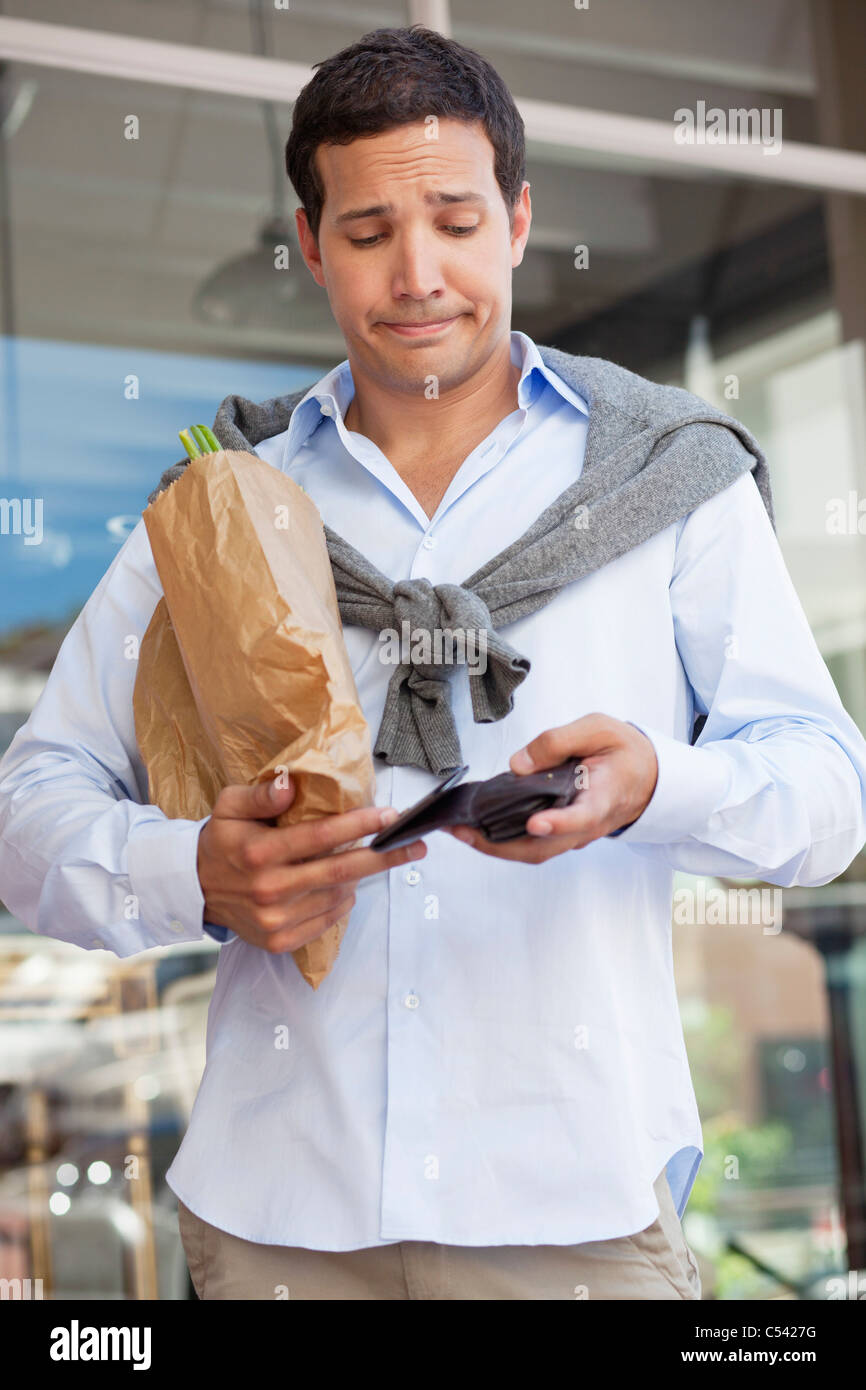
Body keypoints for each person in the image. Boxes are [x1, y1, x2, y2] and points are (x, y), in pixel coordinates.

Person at [2, 24, 866, 1302]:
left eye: (455, 221)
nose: (418, 274)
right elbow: (30, 812)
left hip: (570, 1205)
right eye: (365, 235)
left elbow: (826, 796)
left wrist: (652, 790)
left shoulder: (664, 480)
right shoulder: (218, 503)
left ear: (516, 220)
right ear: (307, 245)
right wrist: (191, 870)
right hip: (276, 1210)